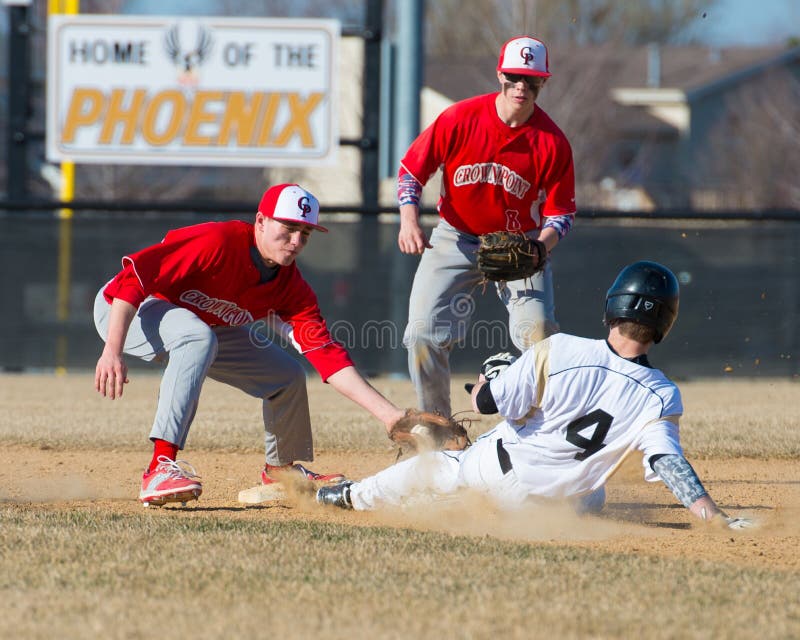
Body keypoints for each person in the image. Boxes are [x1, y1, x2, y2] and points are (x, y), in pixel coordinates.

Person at [317, 261, 754, 531]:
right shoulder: (662, 394)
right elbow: (666, 462)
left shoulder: (560, 349)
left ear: (613, 305)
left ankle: (347, 496)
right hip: (562, 507)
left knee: (439, 466)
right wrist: (714, 518)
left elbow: (486, 405)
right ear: (665, 323)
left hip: (499, 474)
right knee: (595, 493)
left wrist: (492, 376)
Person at [93, 183, 406, 507]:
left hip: (203, 327)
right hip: (127, 308)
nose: (296, 241)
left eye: (305, 233)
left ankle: (280, 472)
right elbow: (134, 279)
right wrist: (111, 351)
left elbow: (327, 356)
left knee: (286, 376)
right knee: (198, 336)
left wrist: (391, 416)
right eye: (288, 228)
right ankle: (159, 466)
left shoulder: (291, 290)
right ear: (261, 222)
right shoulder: (218, 242)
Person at [397, 35, 577, 417]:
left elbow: (560, 214)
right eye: (514, 77)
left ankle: (544, 427)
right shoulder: (459, 119)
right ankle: (437, 430)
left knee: (539, 334)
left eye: (532, 80)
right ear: (500, 75)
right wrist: (409, 220)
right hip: (455, 236)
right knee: (421, 334)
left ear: (543, 83)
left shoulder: (552, 143)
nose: (521, 87)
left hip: (521, 242)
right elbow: (411, 172)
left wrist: (539, 248)